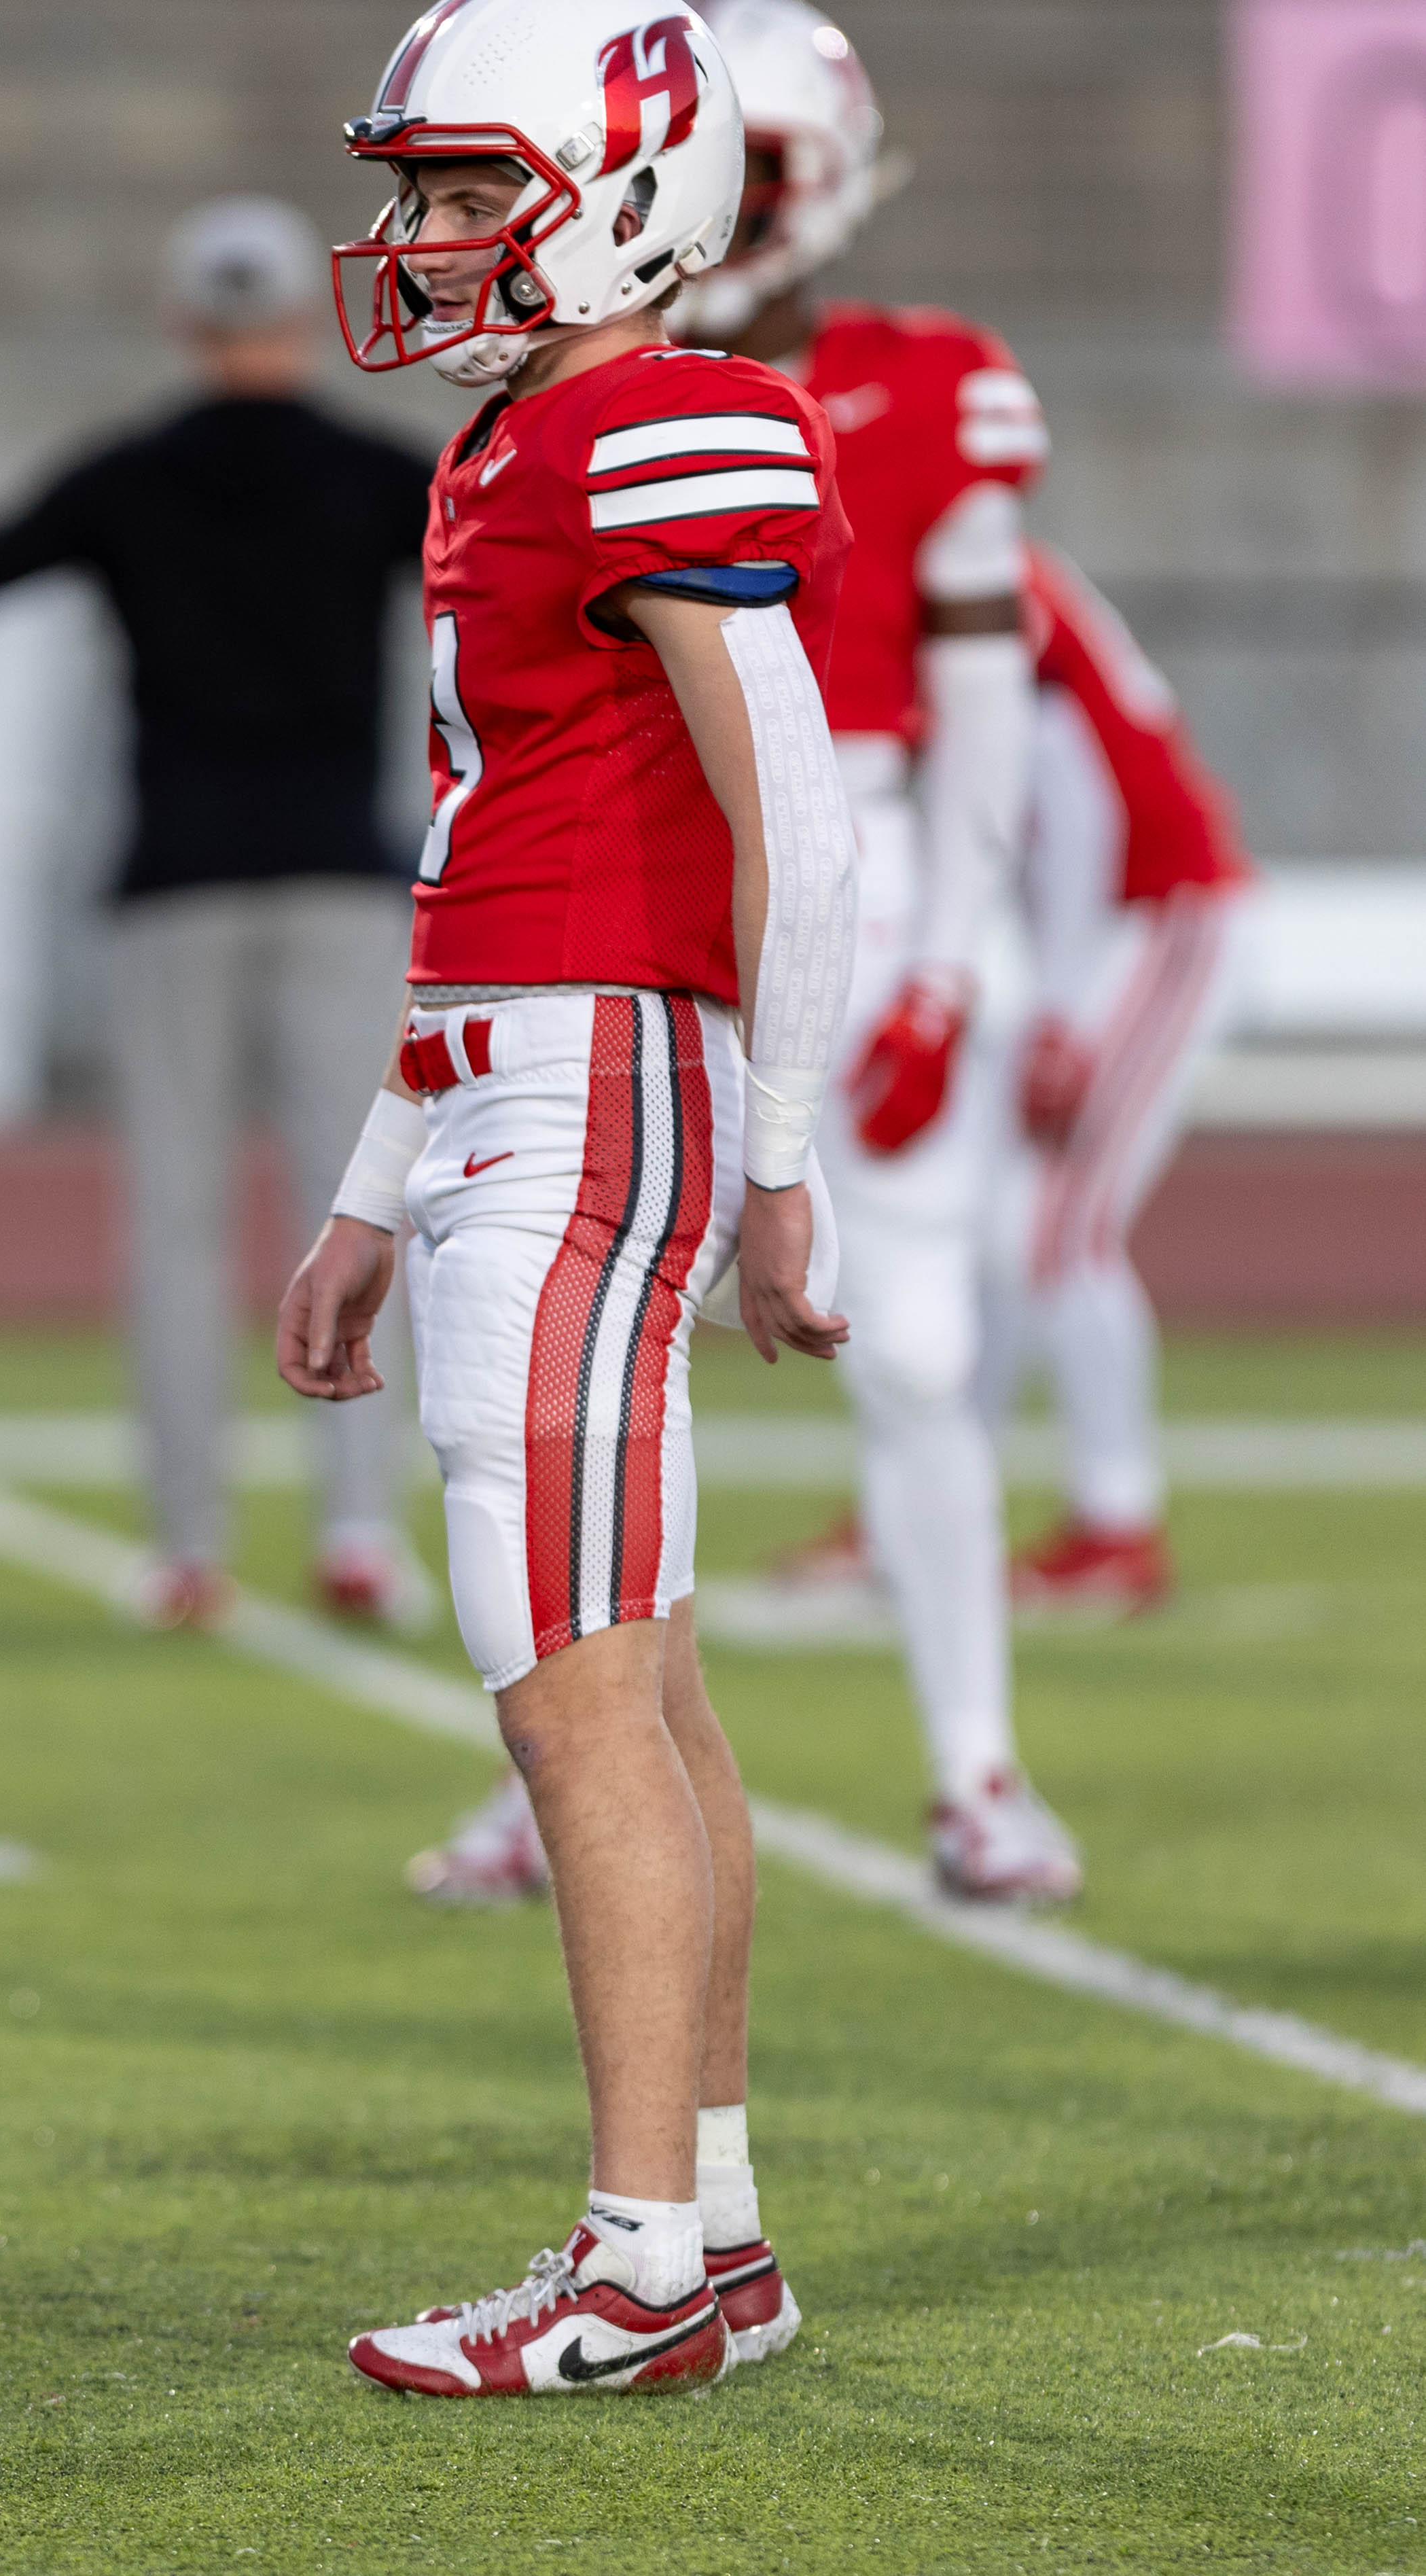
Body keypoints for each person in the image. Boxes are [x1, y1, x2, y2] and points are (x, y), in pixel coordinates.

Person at [282, 0, 857, 2397]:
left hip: (594, 1085)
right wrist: (369, 1177)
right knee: (647, 1681)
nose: (414, 238)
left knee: (569, 1707)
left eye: (451, 187)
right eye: (409, 189)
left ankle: (630, 2255)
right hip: (517, 1076)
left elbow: (789, 812)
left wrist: (793, 1153)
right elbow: (484, 852)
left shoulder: (654, 419)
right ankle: (702, 2230)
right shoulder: (533, 437)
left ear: (615, 193)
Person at [0, 196, 438, 1636]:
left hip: (176, 882)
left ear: (183, 321)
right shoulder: (378, 471)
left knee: (177, 1220)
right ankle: (358, 1527)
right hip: (345, 880)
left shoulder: (134, 474)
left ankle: (186, 1545)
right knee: (358, 1208)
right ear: (303, 313)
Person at [671, 0, 1081, 1903]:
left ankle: (973, 1767)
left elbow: (988, 706)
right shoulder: (588, 387)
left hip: (872, 862)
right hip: (652, 871)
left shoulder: (922, 383)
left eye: (748, 164)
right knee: (575, 1356)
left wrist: (948, 971)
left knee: (912, 1355)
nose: (715, 205)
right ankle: (561, 1777)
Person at [983, 547, 1253, 1611]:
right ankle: (942, 1491)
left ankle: (1116, 1522)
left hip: (1160, 916)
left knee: (1057, 1231)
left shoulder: (985, 578)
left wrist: (1059, 1007)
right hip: (1122, 924)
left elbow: (1071, 796)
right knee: (1004, 1230)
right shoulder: (1001, 568)